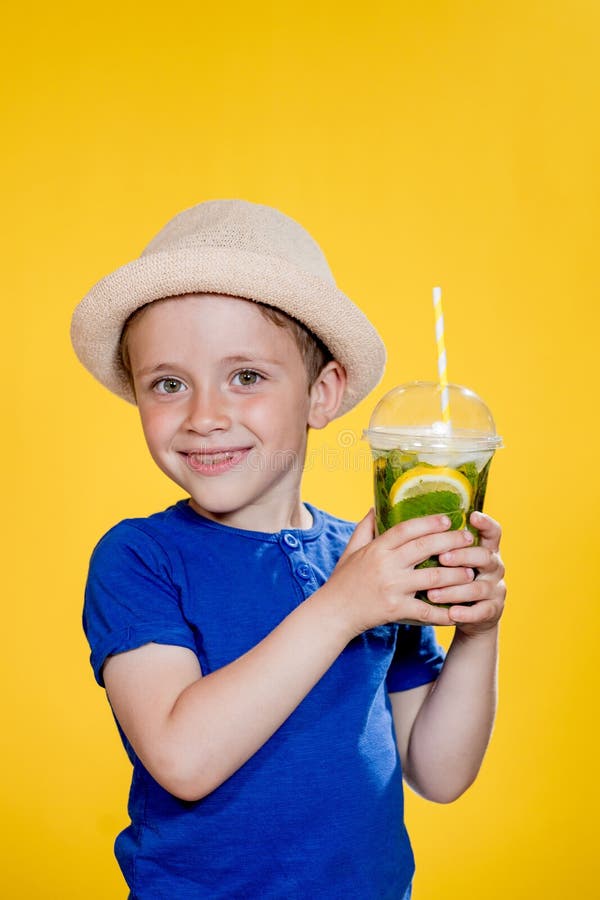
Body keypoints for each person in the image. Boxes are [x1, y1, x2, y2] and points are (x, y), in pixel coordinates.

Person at [71, 200, 506, 900]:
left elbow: (440, 772)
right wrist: (342, 607)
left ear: (322, 393)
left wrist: (478, 633)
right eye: (168, 383)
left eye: (246, 376)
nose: (205, 415)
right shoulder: (140, 558)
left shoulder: (367, 562)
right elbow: (182, 757)